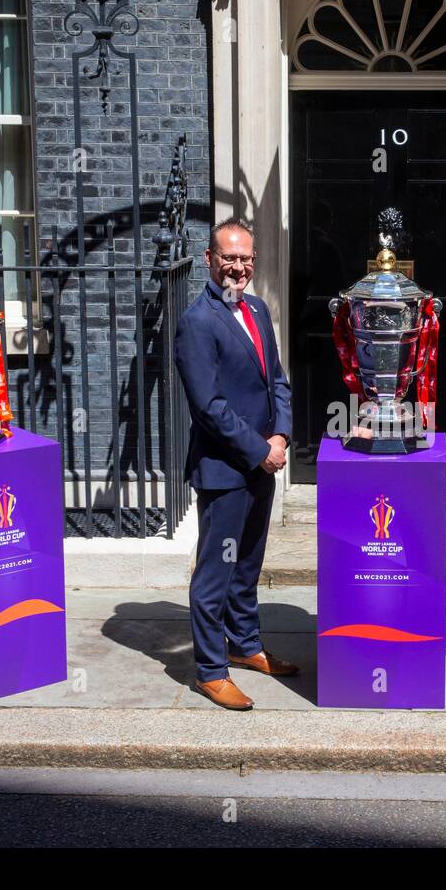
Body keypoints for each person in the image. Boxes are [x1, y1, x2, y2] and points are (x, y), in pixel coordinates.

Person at [174, 219, 297, 710]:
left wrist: (282, 434)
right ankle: (209, 669)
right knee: (215, 573)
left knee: (246, 565)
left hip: (262, 462)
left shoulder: (259, 309)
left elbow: (278, 382)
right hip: (226, 471)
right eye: (230, 257)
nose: (239, 267)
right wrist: (260, 449)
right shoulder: (197, 322)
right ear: (209, 258)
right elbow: (209, 407)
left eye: (246, 258)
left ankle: (245, 647)